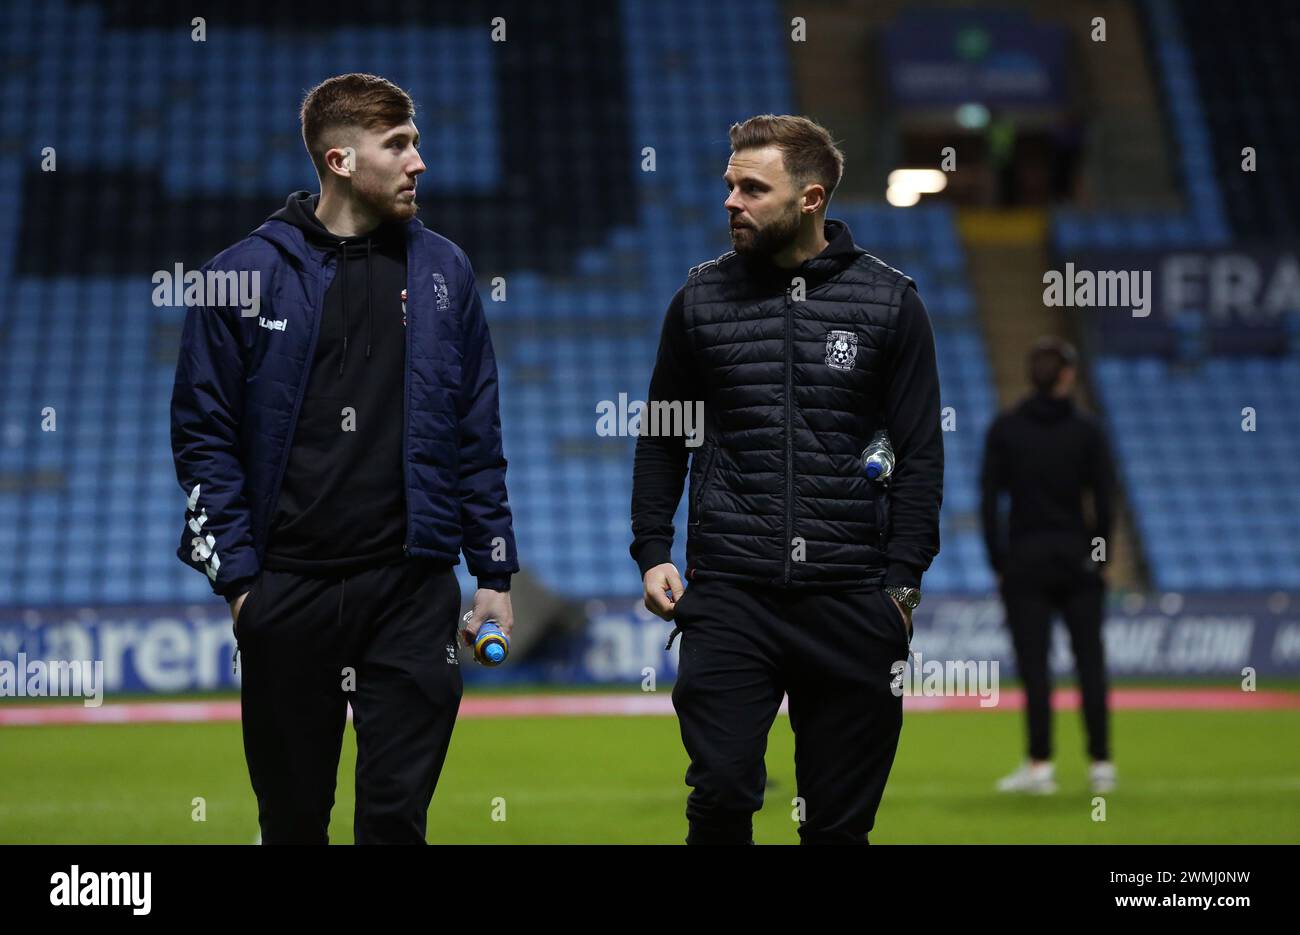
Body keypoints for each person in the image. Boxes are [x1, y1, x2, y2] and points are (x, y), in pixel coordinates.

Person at [170, 73, 517, 843]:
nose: (418, 161)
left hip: (412, 589)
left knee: (395, 820)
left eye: (416, 141)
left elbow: (476, 432)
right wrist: (242, 588)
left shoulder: (445, 272)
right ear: (339, 159)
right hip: (288, 592)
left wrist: (493, 571)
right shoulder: (240, 275)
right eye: (397, 144)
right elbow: (203, 437)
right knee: (293, 822)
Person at [630, 114, 943, 844]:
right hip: (732, 593)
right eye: (729, 186)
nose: (731, 202)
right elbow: (664, 434)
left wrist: (900, 588)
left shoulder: (891, 303)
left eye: (751, 187)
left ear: (810, 198)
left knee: (837, 825)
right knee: (721, 793)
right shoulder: (699, 301)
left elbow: (920, 454)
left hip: (852, 596)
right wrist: (652, 547)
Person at [980, 337, 1116, 795]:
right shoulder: (1088, 430)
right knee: (1090, 663)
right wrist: (1100, 557)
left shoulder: (1006, 428)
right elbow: (1105, 500)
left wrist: (999, 560)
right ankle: (1101, 764)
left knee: (1035, 668)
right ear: (1067, 375)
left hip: (1025, 563)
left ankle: (1040, 767)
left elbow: (988, 502)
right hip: (1078, 561)